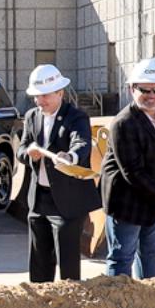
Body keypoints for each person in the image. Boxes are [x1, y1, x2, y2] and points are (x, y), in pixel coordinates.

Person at [100, 59, 155, 279]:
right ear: (132, 89)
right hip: (129, 204)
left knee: (150, 254)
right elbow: (133, 172)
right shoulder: (124, 123)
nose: (151, 95)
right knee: (122, 257)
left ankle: (150, 306)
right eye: (145, 89)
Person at [16, 63, 100, 282]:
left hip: (67, 202)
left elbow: (81, 143)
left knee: (68, 264)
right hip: (39, 200)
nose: (40, 101)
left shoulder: (76, 116)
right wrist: (29, 154)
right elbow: (21, 149)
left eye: (45, 96)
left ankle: (68, 306)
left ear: (60, 93)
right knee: (39, 261)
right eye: (36, 96)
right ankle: (40, 302)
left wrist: (70, 158)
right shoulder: (32, 116)